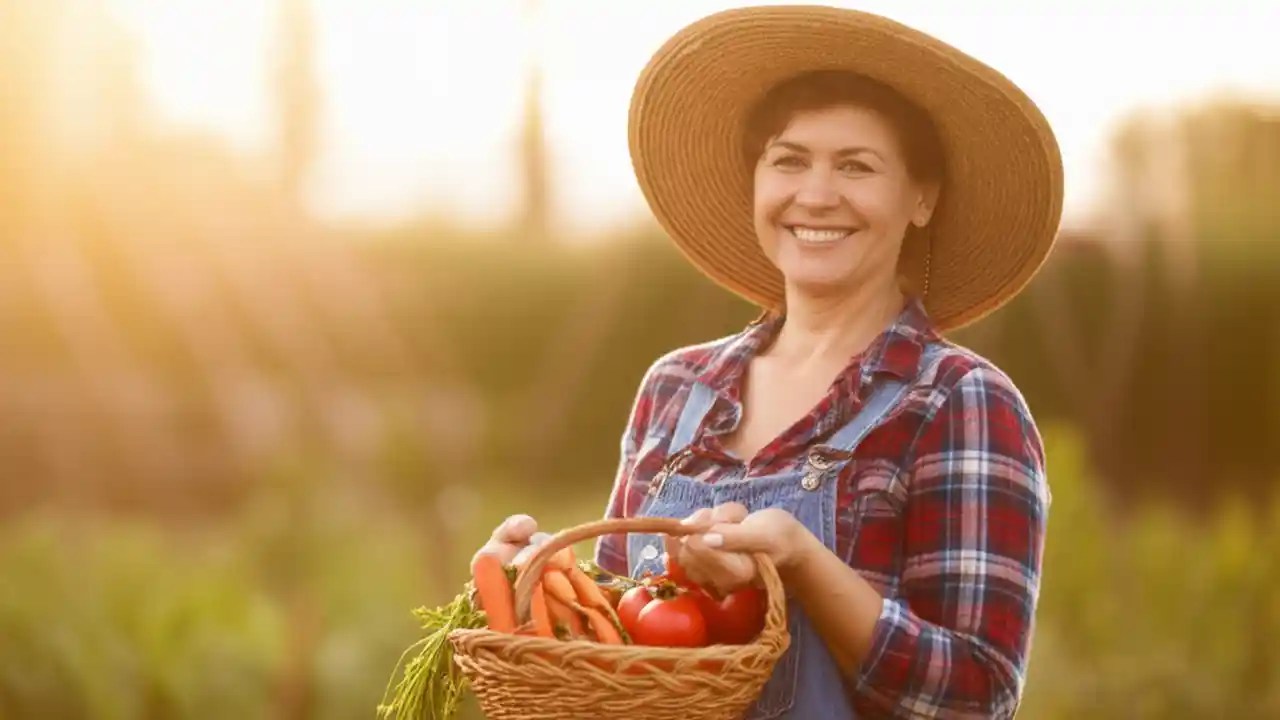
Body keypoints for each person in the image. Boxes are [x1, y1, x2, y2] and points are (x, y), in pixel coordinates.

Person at [473, 5, 1061, 719]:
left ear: (921, 197)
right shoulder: (677, 388)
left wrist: (805, 565)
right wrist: (537, 583)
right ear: (757, 181)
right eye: (788, 160)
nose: (815, 195)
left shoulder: (958, 402)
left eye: (856, 166)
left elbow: (977, 695)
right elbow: (621, 638)